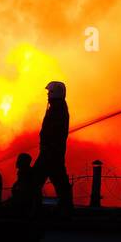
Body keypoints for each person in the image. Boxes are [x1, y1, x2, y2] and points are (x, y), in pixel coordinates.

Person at [30, 81, 74, 216]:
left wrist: (47, 147)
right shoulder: (57, 107)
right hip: (52, 152)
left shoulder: (57, 109)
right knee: (59, 181)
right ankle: (65, 207)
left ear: (55, 93)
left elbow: (53, 132)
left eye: (50, 92)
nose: (48, 94)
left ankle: (32, 207)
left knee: (34, 181)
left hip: (50, 153)